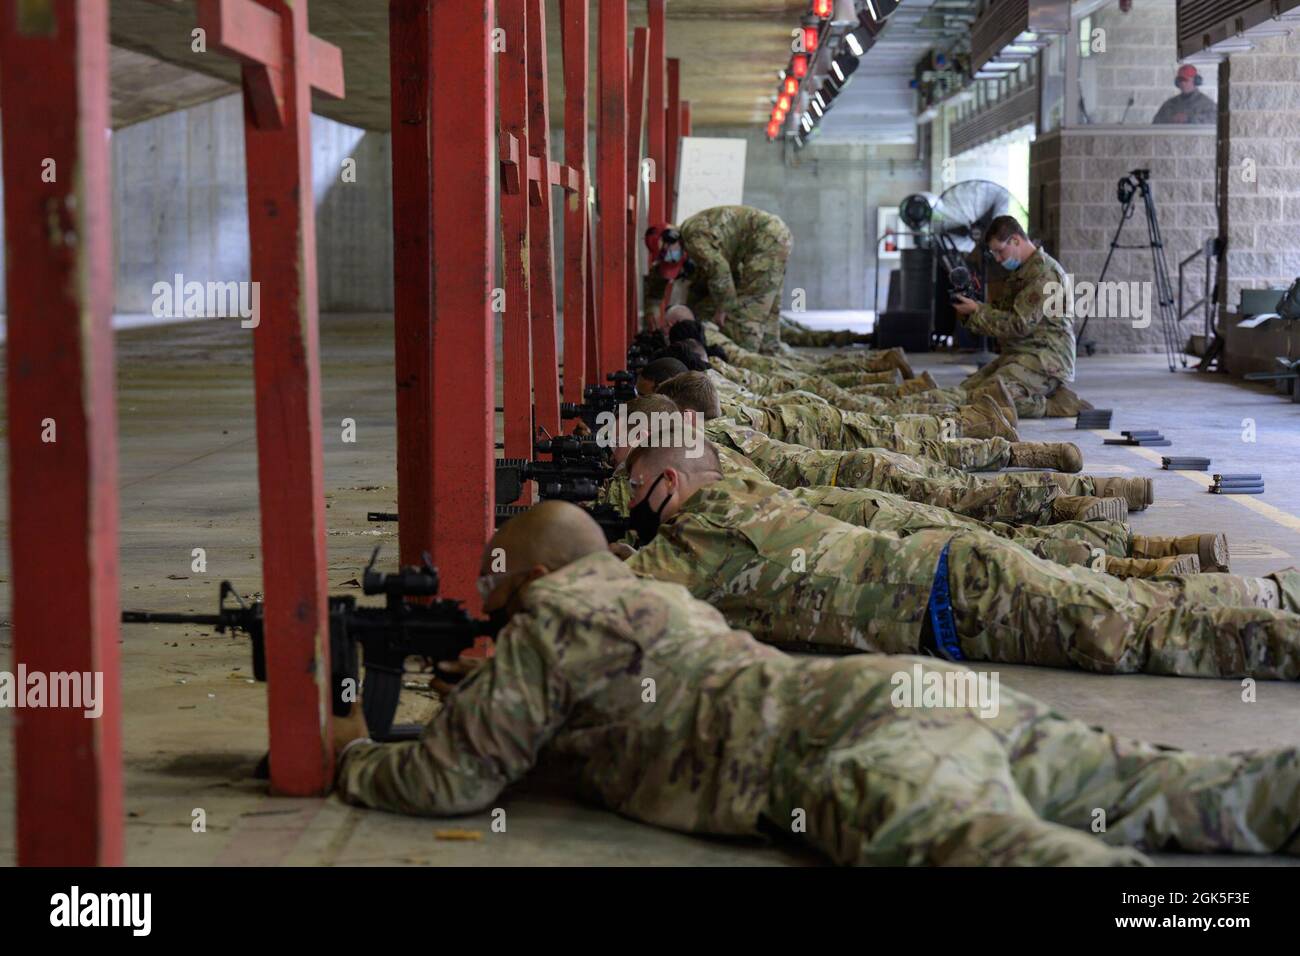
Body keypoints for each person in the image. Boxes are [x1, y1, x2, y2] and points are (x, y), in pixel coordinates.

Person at [333, 501, 1300, 865]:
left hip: (847, 753)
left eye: (499, 588)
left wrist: (353, 759)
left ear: (537, 583)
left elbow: (452, 784)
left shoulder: (553, 621)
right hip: (910, 697)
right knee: (1154, 786)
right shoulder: (662, 601)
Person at [621, 442, 1300, 677]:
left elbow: (600, 595)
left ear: (670, 486)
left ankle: (1278, 609)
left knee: (1141, 634)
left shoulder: (695, 546)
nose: (632, 504)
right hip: (953, 573)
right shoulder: (739, 492)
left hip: (960, 598)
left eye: (634, 489)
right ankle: (1273, 594)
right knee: (1132, 616)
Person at [951, 216, 1077, 419]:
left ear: (1016, 240)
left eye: (1000, 251)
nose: (999, 259)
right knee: (964, 391)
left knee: (985, 400)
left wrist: (977, 311)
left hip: (1046, 360)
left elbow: (1018, 324)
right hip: (1019, 353)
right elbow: (1002, 314)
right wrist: (970, 311)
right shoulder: (1022, 272)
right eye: (994, 253)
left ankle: (1055, 405)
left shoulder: (1045, 274)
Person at [646, 207, 793, 353]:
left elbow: (720, 269)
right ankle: (770, 354)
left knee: (749, 312)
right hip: (774, 236)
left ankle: (747, 363)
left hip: (766, 240)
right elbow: (660, 276)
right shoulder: (686, 242)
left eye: (668, 253)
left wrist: (723, 308)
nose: (670, 259)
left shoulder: (692, 237)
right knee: (768, 311)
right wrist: (652, 307)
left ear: (672, 236)